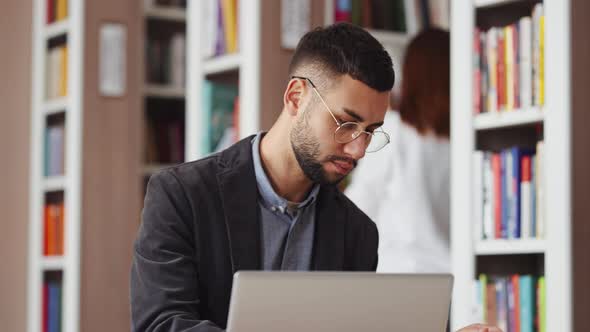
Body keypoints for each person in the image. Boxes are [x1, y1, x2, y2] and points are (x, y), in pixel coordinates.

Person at [130, 23, 499, 332]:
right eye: (345, 123)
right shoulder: (180, 196)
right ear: (295, 97)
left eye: (370, 131)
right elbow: (162, 324)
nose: (357, 149)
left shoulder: (357, 232)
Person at [345, 28, 451, 274]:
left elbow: (358, 208)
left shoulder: (392, 130)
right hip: (452, 279)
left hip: (400, 277)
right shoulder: (467, 139)